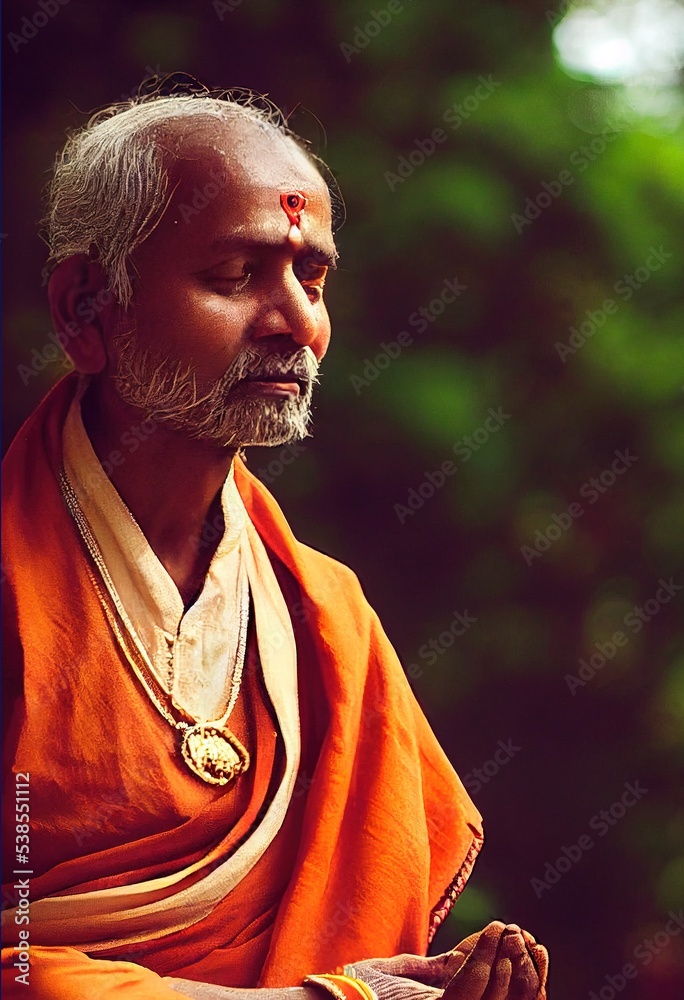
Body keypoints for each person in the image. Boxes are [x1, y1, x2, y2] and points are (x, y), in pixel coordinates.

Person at [1, 82, 549, 999]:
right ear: (85, 307)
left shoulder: (329, 615)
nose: (297, 323)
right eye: (235, 276)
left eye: (312, 277)